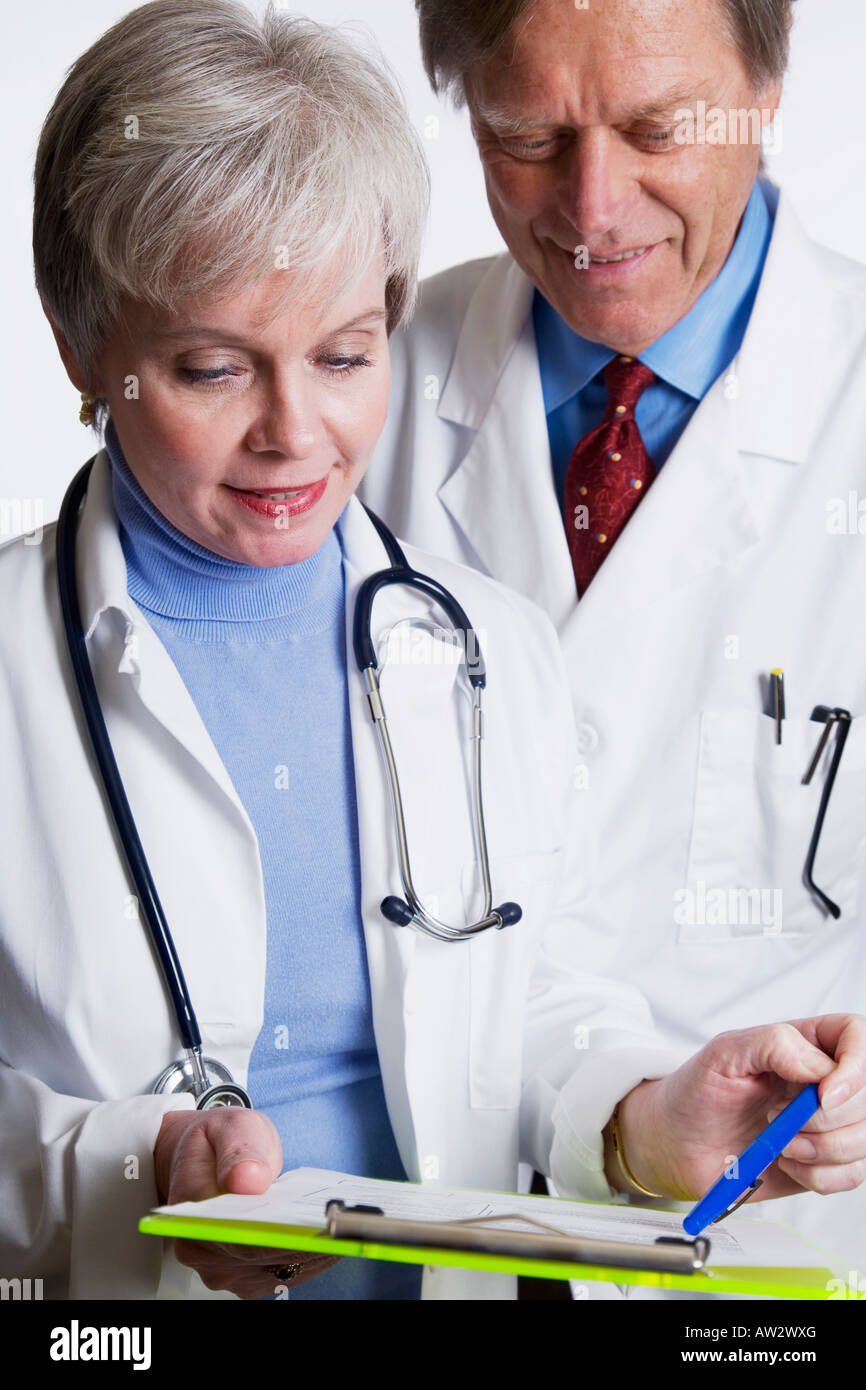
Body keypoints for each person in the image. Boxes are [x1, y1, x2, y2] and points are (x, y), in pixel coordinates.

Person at [2, 0, 864, 1303]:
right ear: (78, 344)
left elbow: (522, 1010)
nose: (295, 433)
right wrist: (131, 1167)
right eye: (211, 367)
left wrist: (643, 1123)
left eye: (347, 353)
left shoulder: (478, 645)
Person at [361, 0, 866, 1274]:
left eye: (654, 129)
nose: (590, 209)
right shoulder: (346, 386)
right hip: (432, 1231)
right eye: (524, 132)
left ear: (765, 88)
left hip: (775, 1254)